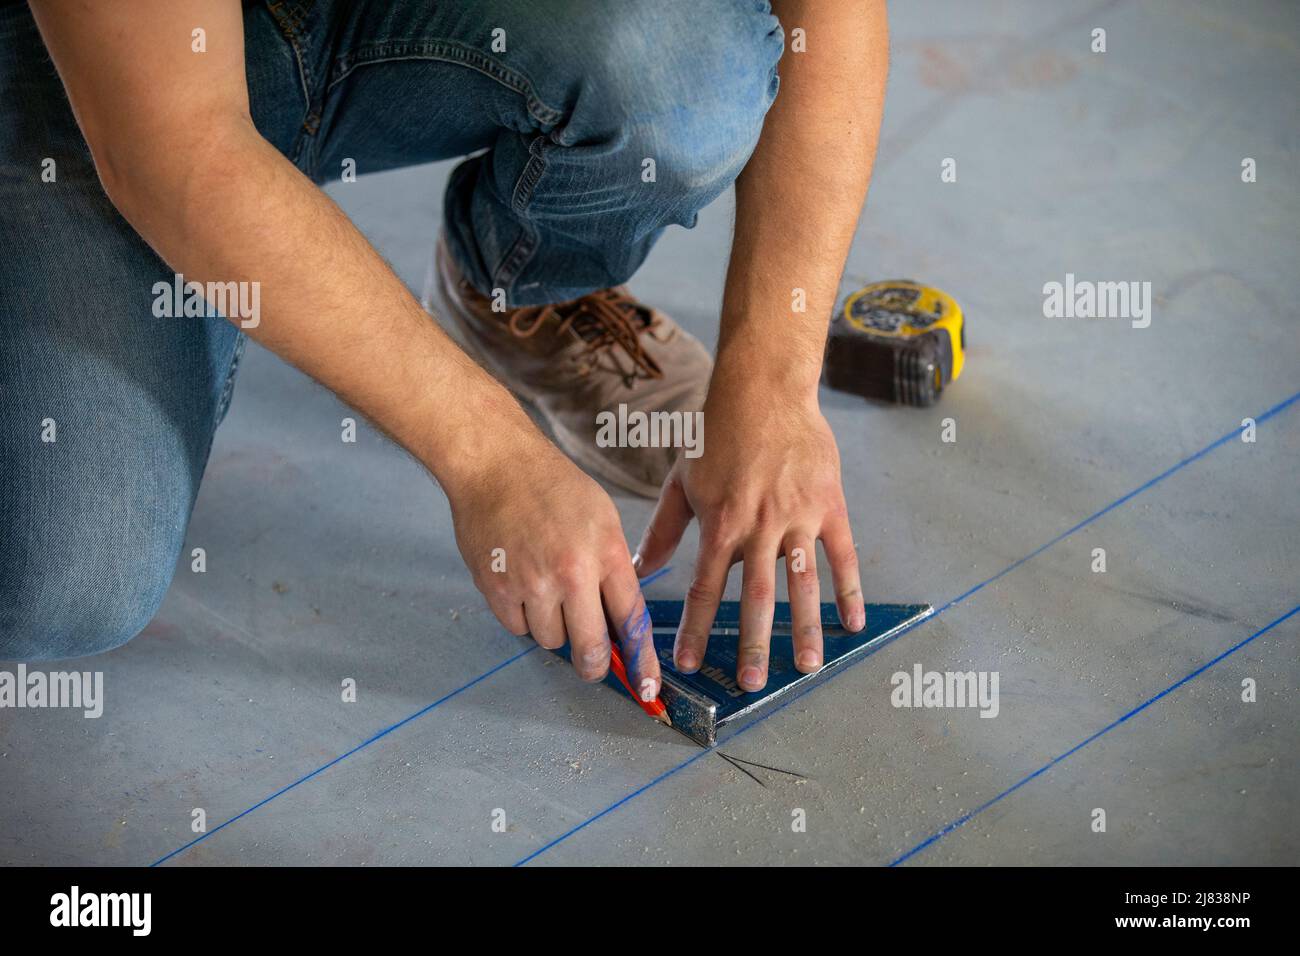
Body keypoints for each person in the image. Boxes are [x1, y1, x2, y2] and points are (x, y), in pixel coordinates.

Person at [0, 0, 888, 700]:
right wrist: (490, 457)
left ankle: (513, 287)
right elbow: (179, 145)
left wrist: (774, 380)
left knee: (683, 65)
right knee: (66, 576)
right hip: (108, 62)